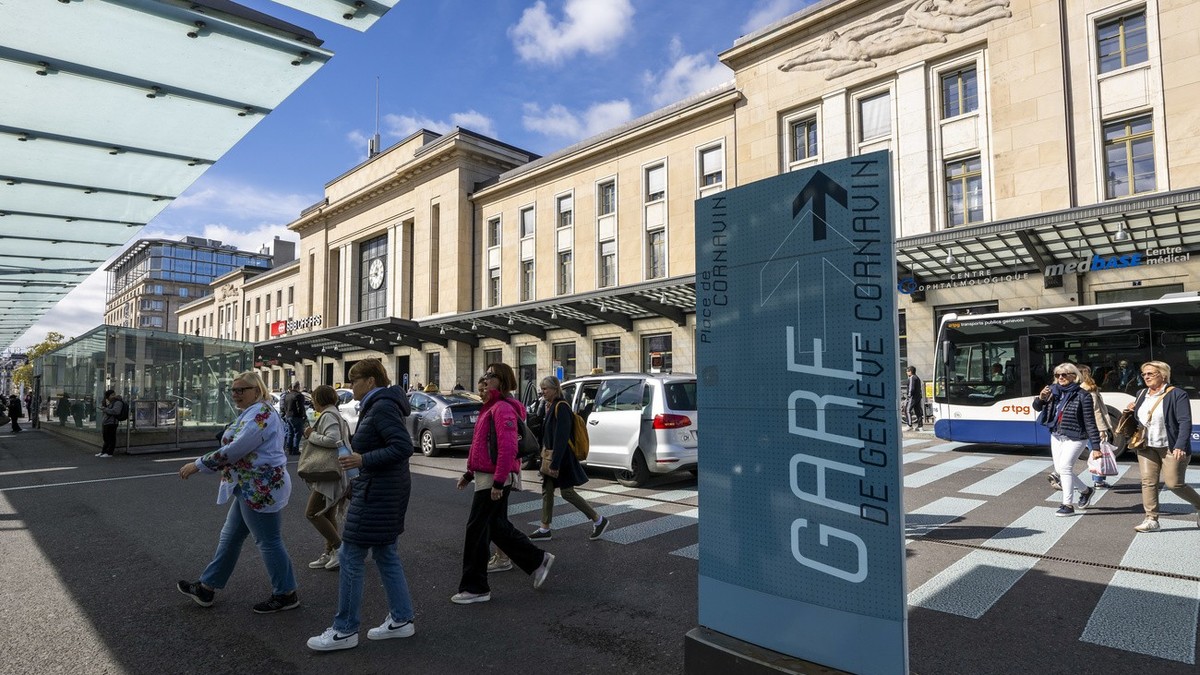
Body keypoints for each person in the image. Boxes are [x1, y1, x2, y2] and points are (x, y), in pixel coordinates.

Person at [307, 359, 417, 651]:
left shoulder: (380, 406)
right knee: (385, 553)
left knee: (351, 555)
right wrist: (357, 478)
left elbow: (403, 447)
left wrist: (362, 460)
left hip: (379, 494)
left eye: (354, 380)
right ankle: (402, 619)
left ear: (370, 381)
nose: (350, 385)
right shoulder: (381, 405)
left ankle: (345, 630)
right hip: (382, 490)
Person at [177, 371, 300, 613]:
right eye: (233, 390)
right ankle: (207, 588)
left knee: (268, 541)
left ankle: (287, 593)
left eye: (241, 390)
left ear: (257, 390)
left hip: (259, 488)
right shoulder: (254, 411)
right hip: (249, 487)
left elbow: (236, 449)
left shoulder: (262, 413)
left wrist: (197, 465)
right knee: (230, 537)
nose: (235, 394)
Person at [453, 362, 554, 604]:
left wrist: (498, 482)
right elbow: (481, 446)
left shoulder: (502, 408)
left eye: (491, 375)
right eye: (485, 374)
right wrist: (469, 473)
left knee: (477, 531)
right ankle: (538, 560)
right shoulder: (490, 407)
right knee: (496, 527)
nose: (485, 379)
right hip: (486, 475)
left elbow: (508, 449)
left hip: (494, 478)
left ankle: (476, 587)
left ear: (503, 381)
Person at [530, 376, 608, 541]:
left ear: (555, 389)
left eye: (545, 389)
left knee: (567, 493)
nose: (542, 392)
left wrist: (556, 463)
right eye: (542, 389)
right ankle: (545, 528)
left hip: (562, 458)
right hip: (552, 456)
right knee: (547, 491)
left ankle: (598, 519)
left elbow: (561, 437)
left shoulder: (561, 407)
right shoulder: (550, 406)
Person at [1126, 361, 1200, 533]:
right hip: (1146, 446)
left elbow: (1185, 422)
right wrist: (1133, 409)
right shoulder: (1141, 393)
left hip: (1171, 447)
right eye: (1144, 374)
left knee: (1174, 484)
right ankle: (1151, 519)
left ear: (1163, 375)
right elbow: (1142, 417)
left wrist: (1180, 445)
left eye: (1151, 373)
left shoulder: (1177, 394)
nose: (1146, 377)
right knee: (1148, 482)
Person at [1032, 363, 1102, 516]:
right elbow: (1037, 407)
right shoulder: (1052, 391)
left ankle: (1067, 505)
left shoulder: (1083, 394)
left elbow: (1090, 421)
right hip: (1056, 435)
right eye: (1057, 375)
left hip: (1076, 436)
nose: (1060, 378)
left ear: (1074, 375)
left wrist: (1096, 447)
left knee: (1064, 468)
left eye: (1064, 374)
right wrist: (1041, 398)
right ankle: (1086, 490)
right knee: (1061, 470)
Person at [300, 385, 351, 571]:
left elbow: (332, 439)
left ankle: (339, 549)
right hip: (336, 472)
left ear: (319, 399)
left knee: (312, 513)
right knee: (327, 513)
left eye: (314, 398)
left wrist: (311, 434)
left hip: (329, 474)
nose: (313, 402)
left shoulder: (328, 415)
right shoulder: (334, 413)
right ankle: (330, 551)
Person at [96, 390, 125, 457]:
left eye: (113, 395)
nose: (112, 396)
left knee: (111, 438)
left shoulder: (118, 402)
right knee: (106, 438)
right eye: (111, 395)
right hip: (107, 422)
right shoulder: (111, 402)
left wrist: (105, 409)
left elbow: (116, 411)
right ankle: (104, 451)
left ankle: (109, 453)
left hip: (112, 422)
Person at [281, 382, 307, 456]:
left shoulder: (287, 395)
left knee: (290, 432)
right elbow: (300, 407)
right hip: (296, 416)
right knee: (297, 433)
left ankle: (289, 449)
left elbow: (284, 407)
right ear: (298, 387)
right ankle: (295, 449)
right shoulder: (299, 396)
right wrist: (303, 415)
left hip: (288, 416)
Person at [905, 366, 924, 431]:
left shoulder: (912, 377)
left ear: (910, 371)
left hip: (912, 397)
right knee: (918, 411)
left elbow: (911, 388)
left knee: (907, 410)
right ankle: (920, 426)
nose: (906, 372)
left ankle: (909, 425)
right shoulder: (917, 378)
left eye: (907, 371)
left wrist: (909, 396)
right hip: (918, 397)